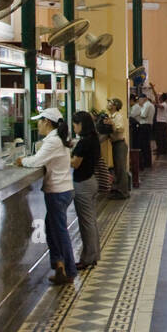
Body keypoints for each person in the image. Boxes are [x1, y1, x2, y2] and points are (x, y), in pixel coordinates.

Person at [18, 108, 77, 285]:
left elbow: (36, 161)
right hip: (60, 190)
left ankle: (69, 269)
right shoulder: (56, 140)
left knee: (59, 232)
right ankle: (59, 267)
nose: (38, 124)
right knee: (52, 231)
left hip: (58, 192)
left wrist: (22, 161)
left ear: (47, 122)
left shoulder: (53, 142)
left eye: (40, 121)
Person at [71, 111, 101, 268]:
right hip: (91, 181)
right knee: (91, 221)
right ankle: (93, 254)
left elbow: (76, 163)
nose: (74, 127)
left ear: (81, 124)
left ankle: (88, 257)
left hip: (82, 183)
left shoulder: (84, 143)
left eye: (75, 124)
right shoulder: (93, 139)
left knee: (86, 222)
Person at [107, 98, 130, 198]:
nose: (108, 104)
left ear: (115, 106)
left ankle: (123, 192)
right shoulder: (111, 116)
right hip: (115, 144)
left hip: (119, 144)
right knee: (117, 168)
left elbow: (120, 128)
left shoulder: (118, 116)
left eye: (110, 103)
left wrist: (112, 125)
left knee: (121, 169)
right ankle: (118, 189)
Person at [138, 90, 156, 168]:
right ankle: (147, 162)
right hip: (147, 125)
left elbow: (143, 115)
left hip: (145, 125)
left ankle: (146, 162)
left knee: (145, 145)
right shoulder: (150, 104)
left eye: (140, 99)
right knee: (146, 145)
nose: (139, 101)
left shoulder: (146, 105)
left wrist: (139, 109)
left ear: (144, 99)